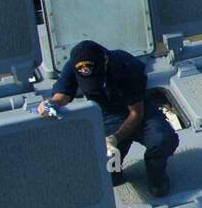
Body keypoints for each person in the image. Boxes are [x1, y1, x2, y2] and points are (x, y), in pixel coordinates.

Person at [38, 40, 179, 198]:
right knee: (108, 165)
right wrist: (51, 103)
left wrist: (114, 138)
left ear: (105, 61)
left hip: (137, 109)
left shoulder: (126, 65)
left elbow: (136, 114)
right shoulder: (75, 64)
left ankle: (156, 177)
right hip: (107, 114)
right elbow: (63, 94)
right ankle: (115, 174)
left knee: (163, 140)